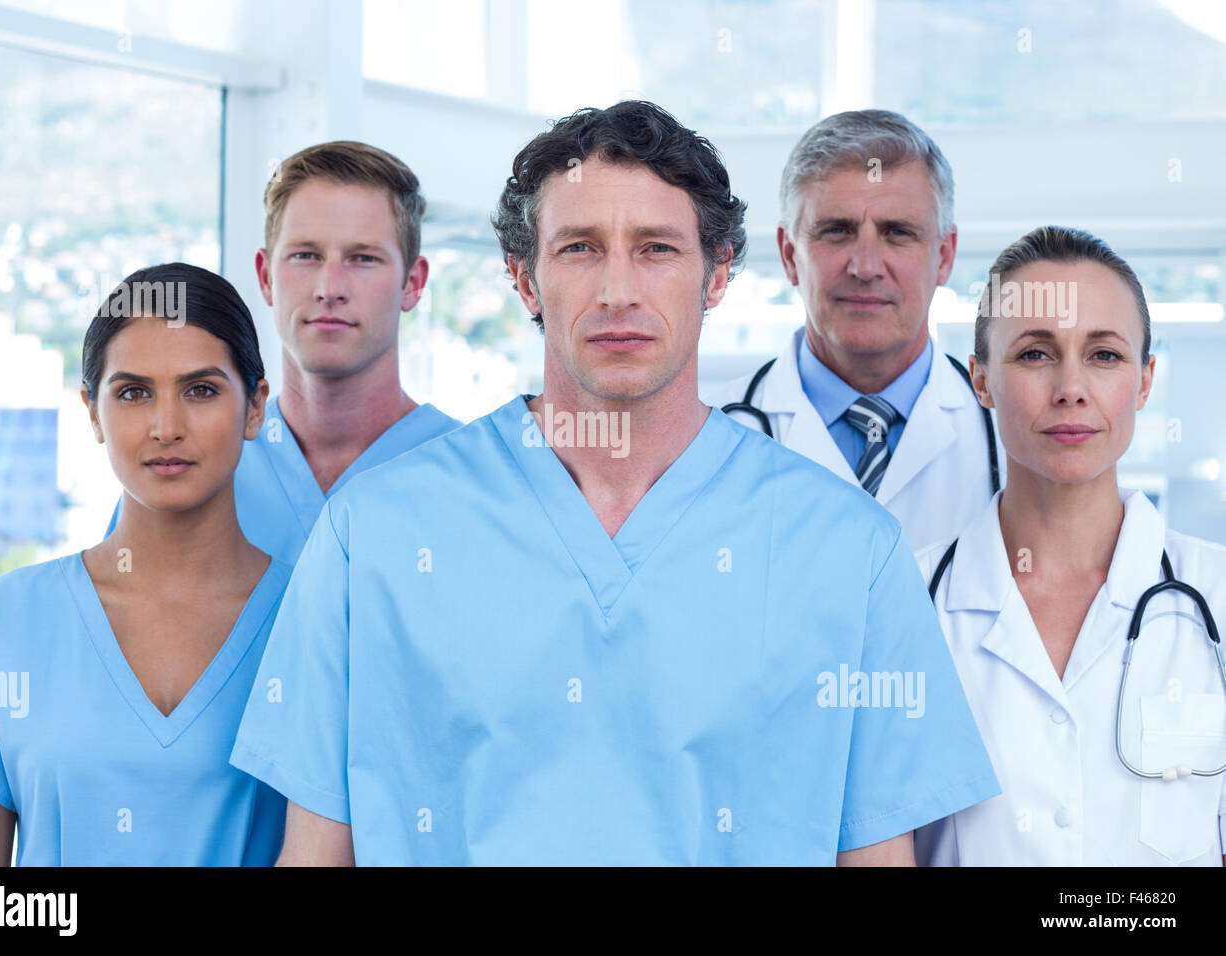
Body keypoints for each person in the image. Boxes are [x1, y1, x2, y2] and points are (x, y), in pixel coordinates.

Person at [230, 100, 998, 866]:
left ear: (718, 274)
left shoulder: (849, 550)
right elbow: (314, 855)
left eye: (657, 248)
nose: (618, 291)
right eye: (580, 249)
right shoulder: (375, 534)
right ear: (524, 280)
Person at [0, 263, 290, 865]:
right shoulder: (0, 626)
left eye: (201, 389)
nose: (166, 427)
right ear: (93, 412)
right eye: (133, 392)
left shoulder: (315, 621)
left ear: (255, 407)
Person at [914, 226, 1226, 866]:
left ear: (1144, 382)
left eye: (1105, 355)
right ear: (981, 381)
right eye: (1034, 354)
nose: (1071, 388)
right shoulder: (907, 603)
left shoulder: (1215, 595)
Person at [107, 141, 461, 563]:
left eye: (363, 259)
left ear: (413, 283)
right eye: (305, 256)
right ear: (265, 276)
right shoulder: (187, 463)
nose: (329, 289)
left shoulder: (468, 478)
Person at [712, 110, 1002, 552]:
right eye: (836, 232)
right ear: (790, 255)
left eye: (897, 233)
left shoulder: (1011, 436)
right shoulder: (708, 437)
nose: (865, 267)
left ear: (944, 256)